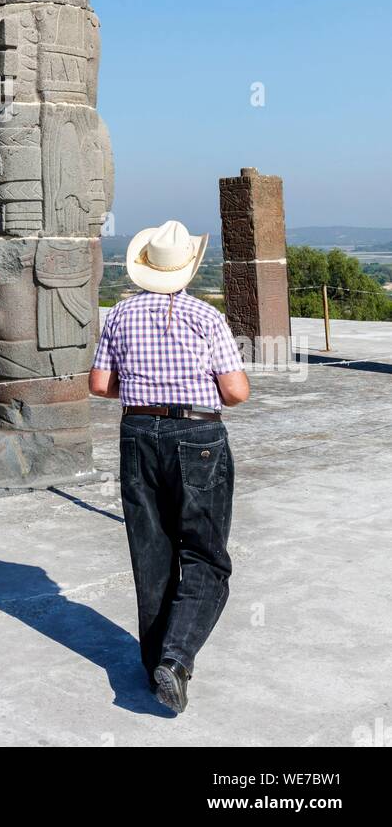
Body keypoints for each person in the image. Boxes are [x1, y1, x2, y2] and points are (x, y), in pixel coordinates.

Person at [89, 219, 250, 714]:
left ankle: (153, 662)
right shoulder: (206, 317)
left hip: (137, 434)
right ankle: (175, 661)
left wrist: (142, 397)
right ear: (188, 267)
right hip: (198, 437)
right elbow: (236, 392)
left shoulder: (118, 315)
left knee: (151, 551)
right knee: (205, 555)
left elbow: (99, 384)